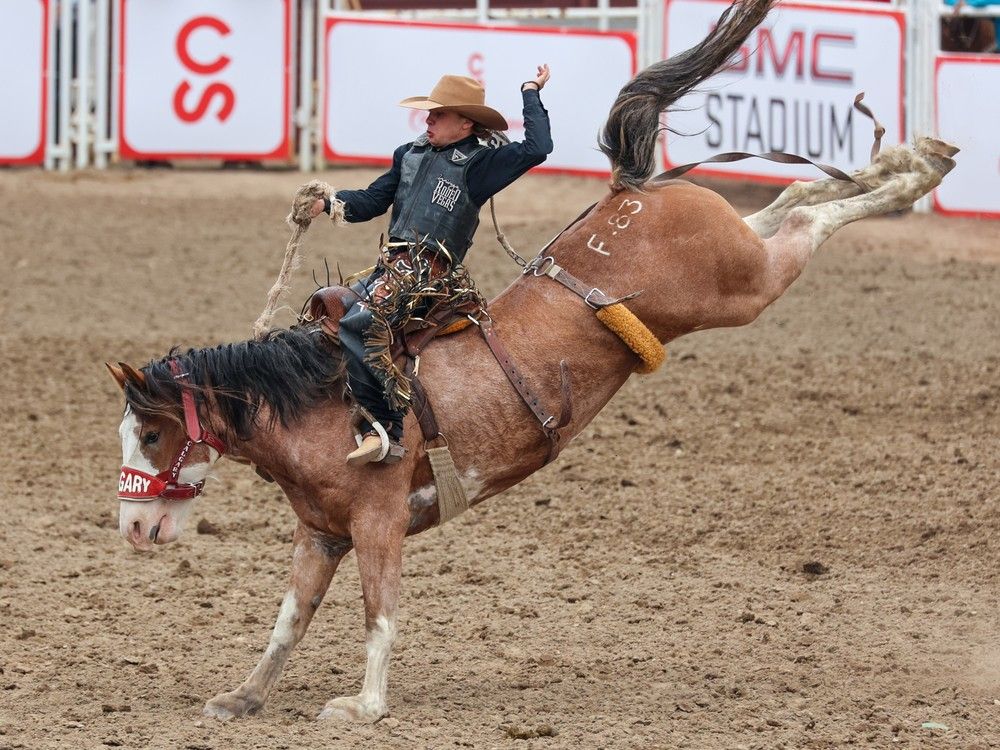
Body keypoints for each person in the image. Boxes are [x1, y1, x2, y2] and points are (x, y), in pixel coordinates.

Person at [309, 66, 553, 465]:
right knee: (327, 313)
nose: (428, 119)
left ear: (465, 124)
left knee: (361, 323)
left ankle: (386, 428)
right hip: (390, 270)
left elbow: (537, 148)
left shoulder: (480, 166)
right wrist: (329, 203)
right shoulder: (410, 154)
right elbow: (373, 199)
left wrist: (530, 93)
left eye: (438, 114)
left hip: (431, 274)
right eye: (430, 112)